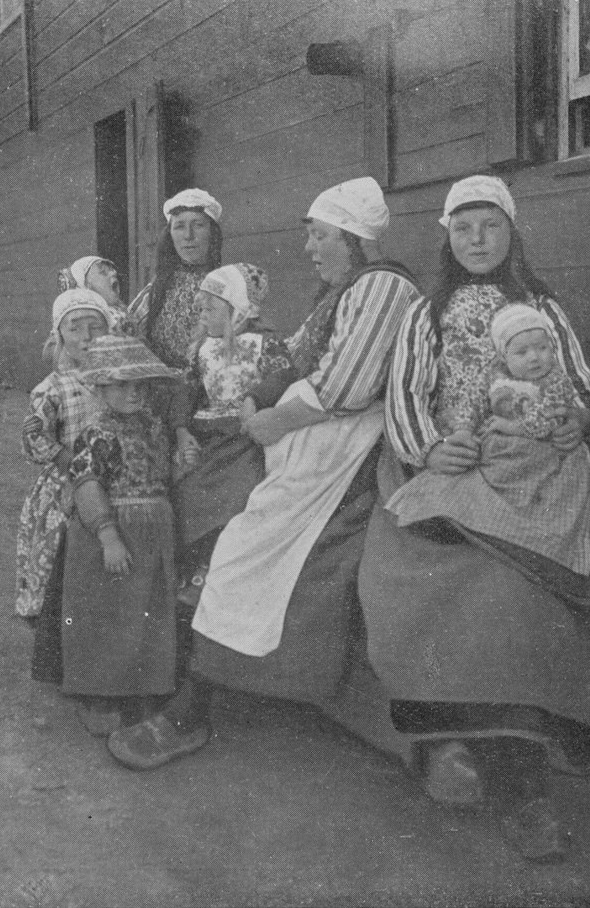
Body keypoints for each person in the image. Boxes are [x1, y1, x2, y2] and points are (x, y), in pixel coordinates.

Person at [107, 177, 420, 772]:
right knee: (206, 494)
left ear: (354, 237)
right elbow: (293, 353)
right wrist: (260, 394)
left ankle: (194, 705)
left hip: (342, 443)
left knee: (249, 542)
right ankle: (166, 661)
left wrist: (275, 417)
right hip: (308, 430)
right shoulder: (341, 291)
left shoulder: (384, 286)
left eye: (321, 236)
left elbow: (347, 387)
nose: (310, 248)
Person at [359, 174, 590, 862]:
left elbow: (577, 382)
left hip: (537, 467)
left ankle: (544, 750)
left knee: (538, 580)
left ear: (511, 232)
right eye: (464, 227)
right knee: (482, 588)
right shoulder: (427, 311)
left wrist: (573, 422)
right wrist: (429, 446)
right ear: (448, 238)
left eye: (491, 225)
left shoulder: (542, 306)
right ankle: (515, 782)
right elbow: (403, 394)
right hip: (456, 465)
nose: (478, 239)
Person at [386, 301, 590, 577]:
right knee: (453, 494)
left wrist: (578, 418)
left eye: (542, 349)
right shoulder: (492, 372)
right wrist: (459, 431)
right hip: (488, 450)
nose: (534, 358)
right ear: (504, 356)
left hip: (544, 451)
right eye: (522, 352)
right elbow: (468, 402)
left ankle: (534, 548)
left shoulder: (553, 374)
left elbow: (561, 405)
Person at [60, 335, 180, 736]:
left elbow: (160, 473)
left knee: (147, 611)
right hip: (113, 532)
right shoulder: (98, 433)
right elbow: (86, 483)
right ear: (100, 387)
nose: (133, 393)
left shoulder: (153, 426)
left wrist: (181, 463)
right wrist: (108, 535)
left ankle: (141, 691)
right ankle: (99, 697)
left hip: (153, 532)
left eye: (139, 384)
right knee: (107, 613)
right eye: (121, 385)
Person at [171, 263, 293, 603]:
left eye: (210, 308)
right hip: (208, 435)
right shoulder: (202, 349)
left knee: (239, 493)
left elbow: (283, 375)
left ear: (236, 310)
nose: (202, 314)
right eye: (201, 308)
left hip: (243, 438)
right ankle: (191, 570)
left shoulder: (265, 343)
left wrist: (256, 397)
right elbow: (187, 391)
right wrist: (181, 429)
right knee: (188, 489)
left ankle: (215, 571)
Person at [15, 288, 112, 623]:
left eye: (95, 327)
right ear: (60, 336)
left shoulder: (117, 380)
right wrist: (64, 457)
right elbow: (35, 435)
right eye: (75, 328)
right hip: (68, 483)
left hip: (113, 479)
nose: (86, 337)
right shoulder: (53, 388)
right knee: (63, 553)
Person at [128, 188, 223, 370]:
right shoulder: (158, 287)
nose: (188, 235)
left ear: (212, 233)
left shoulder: (226, 286)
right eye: (179, 226)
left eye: (198, 225)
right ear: (170, 235)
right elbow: (127, 331)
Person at [57, 256, 134, 333]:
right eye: (103, 272)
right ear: (85, 287)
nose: (114, 272)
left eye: (111, 269)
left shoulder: (124, 313)